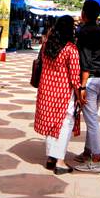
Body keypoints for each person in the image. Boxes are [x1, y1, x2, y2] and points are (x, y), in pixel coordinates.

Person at [34, 15, 82, 174]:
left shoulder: (47, 45)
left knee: (50, 124)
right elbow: (75, 78)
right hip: (63, 93)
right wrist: (80, 96)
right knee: (64, 125)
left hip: (46, 91)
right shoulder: (70, 49)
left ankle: (51, 157)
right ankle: (60, 161)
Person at [72, 0, 100, 173]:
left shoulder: (84, 32)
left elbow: (85, 60)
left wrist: (82, 86)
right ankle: (88, 152)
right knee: (92, 118)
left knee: (92, 121)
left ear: (83, 14)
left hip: (91, 81)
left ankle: (97, 158)